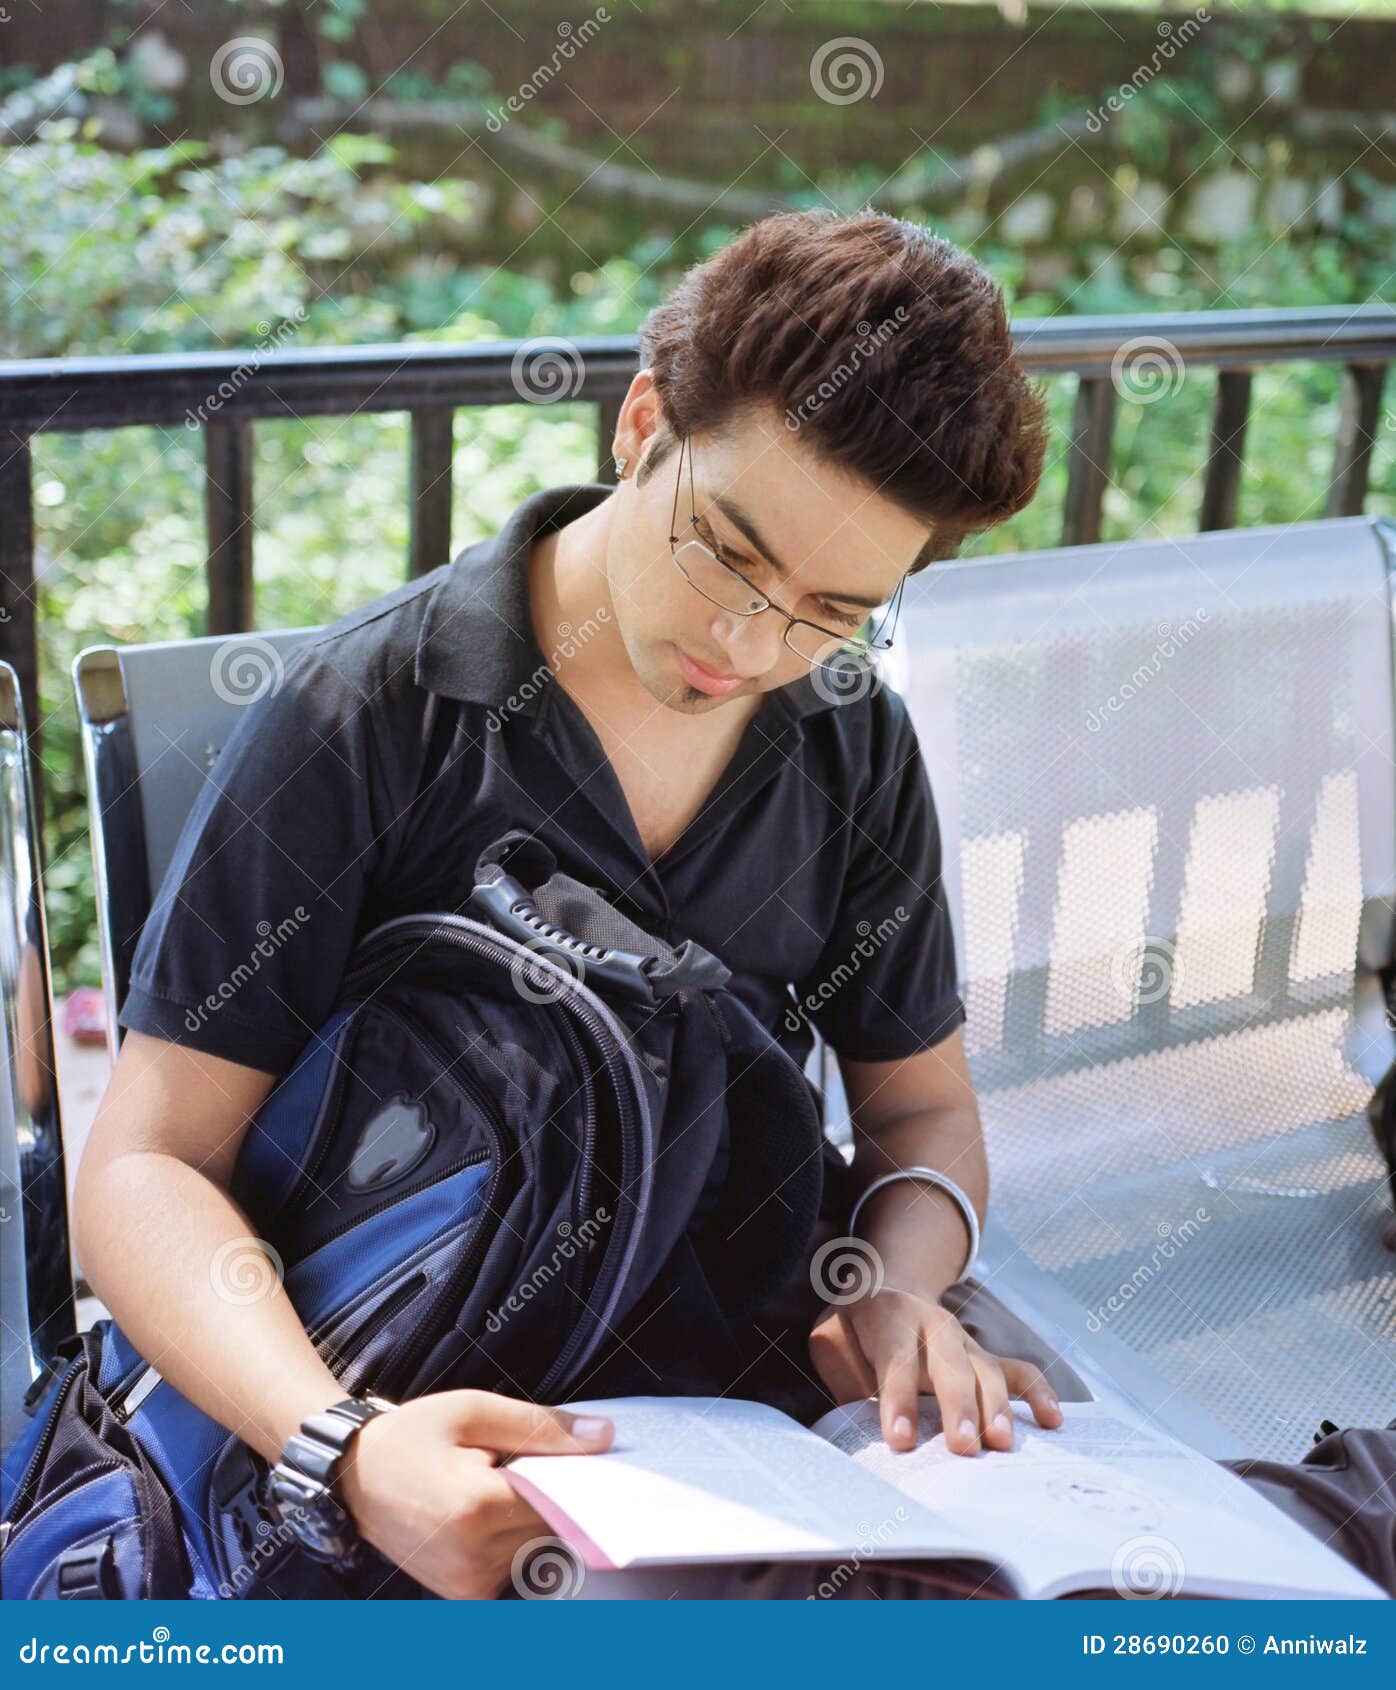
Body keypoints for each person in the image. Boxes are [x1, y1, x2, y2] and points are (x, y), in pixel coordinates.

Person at [72, 207, 1063, 1601]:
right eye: (727, 552)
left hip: (734, 1455)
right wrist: (341, 1448)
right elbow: (141, 1165)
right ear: (642, 423)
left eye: (834, 609)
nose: (751, 643)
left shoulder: (848, 740)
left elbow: (920, 1112)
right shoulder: (376, 709)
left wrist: (894, 1282)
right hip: (393, 1426)